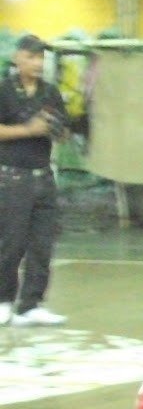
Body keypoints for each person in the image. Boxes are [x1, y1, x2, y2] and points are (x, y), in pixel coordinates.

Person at [0, 33, 68, 326]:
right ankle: (3, 300)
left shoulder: (50, 92)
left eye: (41, 57)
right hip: (12, 177)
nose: (37, 63)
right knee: (11, 243)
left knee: (42, 245)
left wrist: (57, 129)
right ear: (17, 58)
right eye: (31, 57)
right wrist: (28, 130)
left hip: (43, 176)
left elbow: (63, 132)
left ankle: (31, 304)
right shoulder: (4, 91)